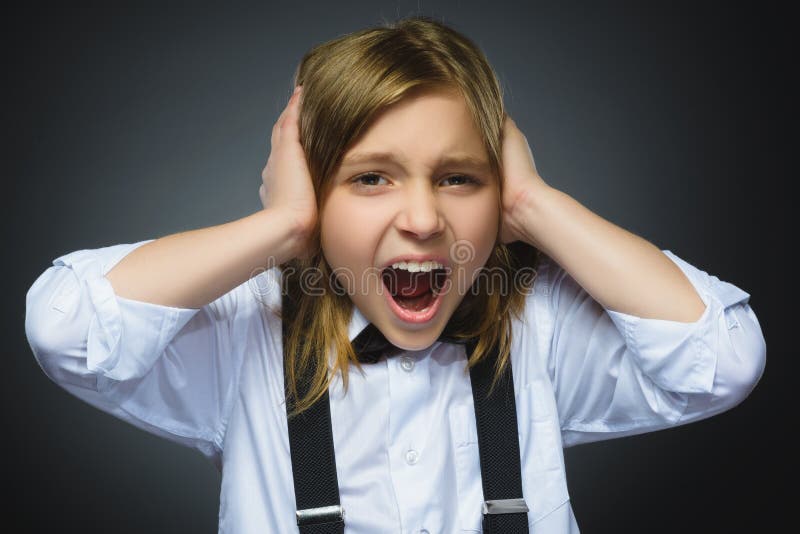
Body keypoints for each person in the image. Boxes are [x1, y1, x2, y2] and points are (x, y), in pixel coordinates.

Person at [24, 15, 766, 534]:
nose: (421, 219)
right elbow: (67, 329)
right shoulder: (242, 337)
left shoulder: (539, 330)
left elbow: (724, 361)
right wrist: (282, 227)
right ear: (314, 191)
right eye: (372, 178)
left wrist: (538, 203)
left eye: (459, 179)